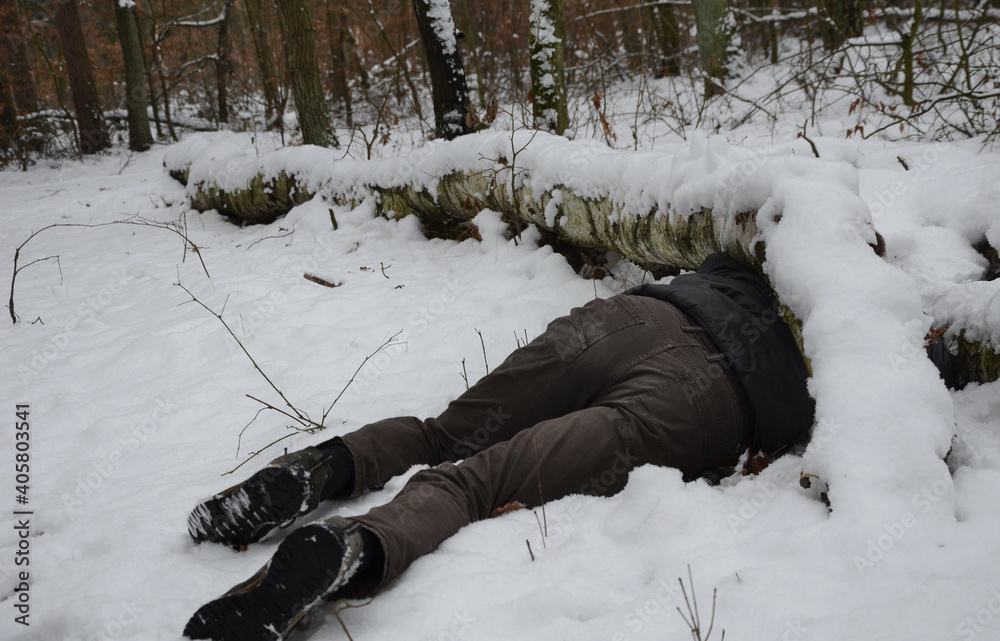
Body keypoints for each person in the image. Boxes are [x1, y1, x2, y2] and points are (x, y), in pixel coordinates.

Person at [182, 253, 815, 641]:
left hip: (631, 319)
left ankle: (313, 469)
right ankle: (351, 549)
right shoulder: (867, 319)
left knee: (446, 435)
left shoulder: (782, 234)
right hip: (704, 399)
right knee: (475, 482)